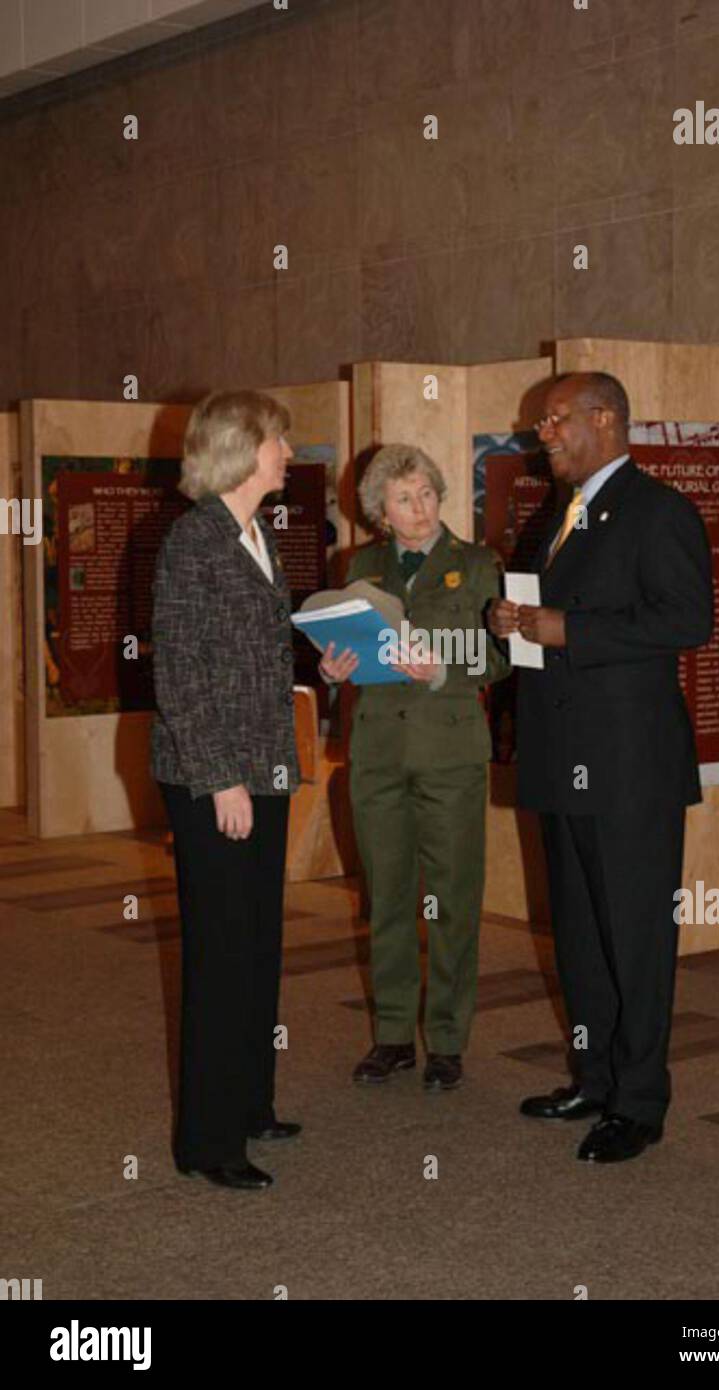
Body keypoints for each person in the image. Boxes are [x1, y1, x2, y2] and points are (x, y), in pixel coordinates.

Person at [489, 372, 713, 1163]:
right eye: (541, 423)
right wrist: (509, 619)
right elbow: (541, 622)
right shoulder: (556, 516)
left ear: (606, 419)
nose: (542, 434)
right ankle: (593, 1076)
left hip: (628, 769)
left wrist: (566, 628)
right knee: (580, 934)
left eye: (553, 420)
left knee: (636, 937)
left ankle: (641, 1099)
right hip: (561, 762)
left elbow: (687, 619)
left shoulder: (661, 512)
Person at [150, 390, 302, 1192]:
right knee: (219, 952)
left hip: (266, 768)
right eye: (280, 439)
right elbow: (180, 672)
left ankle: (250, 1102)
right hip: (216, 778)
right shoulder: (195, 539)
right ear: (244, 447)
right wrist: (220, 780)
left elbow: (252, 655)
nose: (289, 452)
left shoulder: (255, 535)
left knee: (258, 943)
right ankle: (207, 1141)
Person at [321, 444, 510, 1090]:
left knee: (453, 901)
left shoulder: (477, 563)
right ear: (380, 510)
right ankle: (394, 1035)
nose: (421, 507)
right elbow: (344, 646)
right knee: (388, 899)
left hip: (451, 755)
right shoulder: (360, 565)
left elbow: (500, 658)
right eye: (405, 498)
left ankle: (449, 1041)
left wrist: (444, 669)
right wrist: (330, 669)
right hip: (376, 755)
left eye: (427, 492)